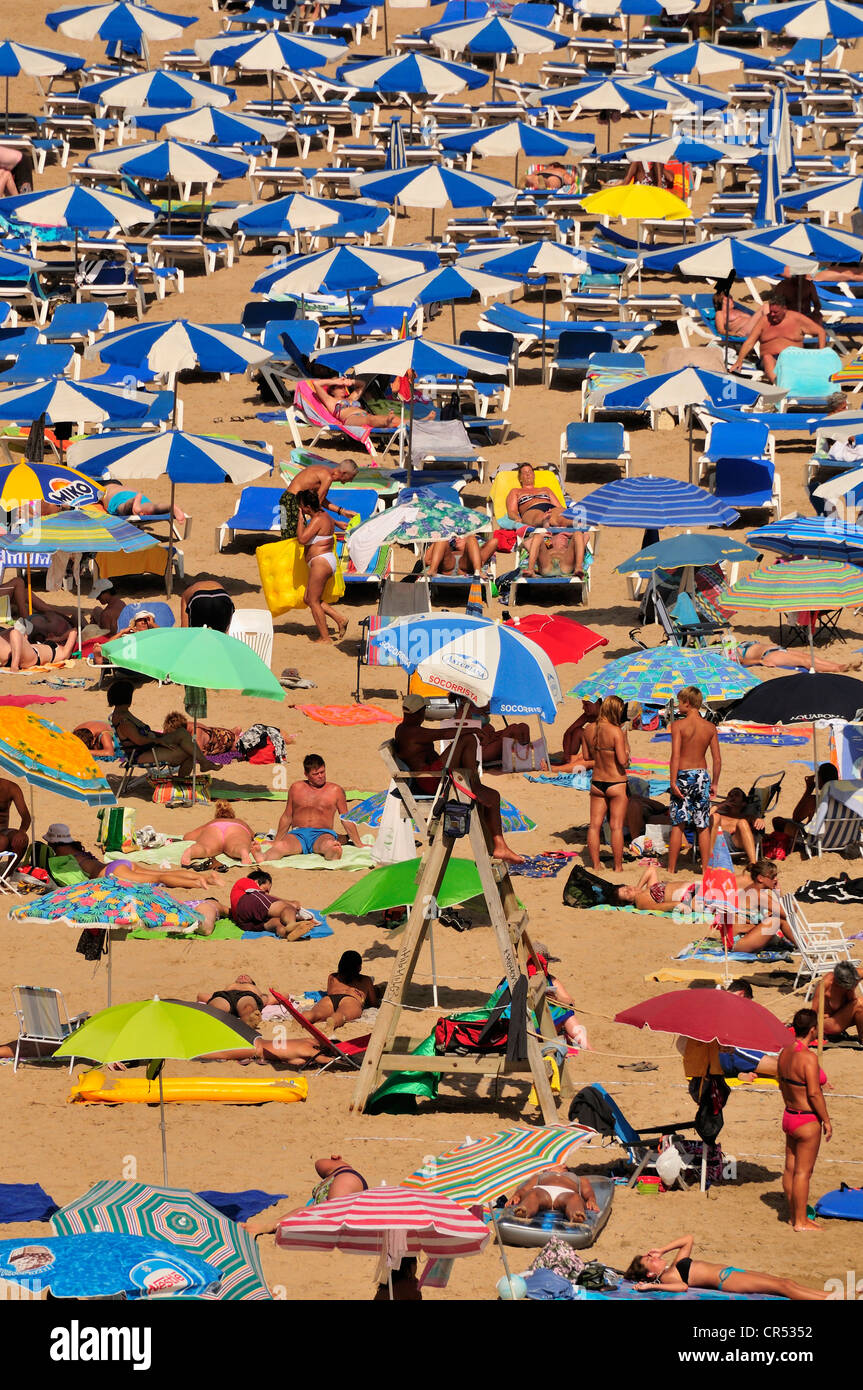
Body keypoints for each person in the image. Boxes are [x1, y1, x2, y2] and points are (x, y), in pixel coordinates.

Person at [393, 694, 525, 863]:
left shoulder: (404, 729)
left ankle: (500, 845)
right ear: (416, 713)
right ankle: (473, 785)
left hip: (432, 776)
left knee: (493, 796)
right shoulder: (412, 732)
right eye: (423, 711)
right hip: (431, 780)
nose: (423, 714)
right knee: (466, 739)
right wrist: (474, 729)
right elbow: (445, 733)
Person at [626, 1234, 827, 1299]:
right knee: (784, 1288)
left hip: (732, 1272)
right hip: (727, 1280)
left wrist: (661, 1249)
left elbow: (688, 1239)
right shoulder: (667, 1277)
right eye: (650, 1260)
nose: (653, 1257)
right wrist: (653, 1286)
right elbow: (682, 1287)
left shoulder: (674, 1266)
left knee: (786, 1282)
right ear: (651, 1273)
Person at [778, 1008, 832, 1233]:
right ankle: (801, 1221)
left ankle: (794, 1215)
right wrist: (826, 1120)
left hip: (789, 1114)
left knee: (790, 1169)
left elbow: (782, 1083)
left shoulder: (784, 1052)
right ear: (812, 1030)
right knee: (803, 1172)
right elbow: (813, 1094)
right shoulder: (808, 1058)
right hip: (806, 1119)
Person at [108, 680, 219, 779]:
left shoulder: (123, 713)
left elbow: (142, 734)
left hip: (149, 745)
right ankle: (183, 782)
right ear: (126, 697)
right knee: (189, 753)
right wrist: (157, 740)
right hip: (141, 753)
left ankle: (203, 763)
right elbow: (139, 740)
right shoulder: (123, 721)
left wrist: (159, 736)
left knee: (181, 733)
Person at [263, 753, 361, 861]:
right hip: (298, 834)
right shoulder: (296, 788)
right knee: (280, 847)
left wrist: (359, 843)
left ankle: (333, 852)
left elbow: (346, 819)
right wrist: (276, 841)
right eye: (316, 774)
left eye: (322, 772)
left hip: (322, 834)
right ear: (306, 774)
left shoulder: (335, 791)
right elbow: (287, 816)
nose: (320, 776)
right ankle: (261, 857)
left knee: (329, 845)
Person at [668, 686, 721, 875]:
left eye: (680, 701)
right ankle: (706, 869)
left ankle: (672, 868)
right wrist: (714, 783)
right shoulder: (710, 727)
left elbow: (675, 756)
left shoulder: (678, 726)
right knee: (702, 824)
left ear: (687, 703)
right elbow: (717, 759)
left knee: (678, 823)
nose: (678, 705)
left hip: (683, 774)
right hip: (701, 775)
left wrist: (673, 781)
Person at [295, 488, 348, 644]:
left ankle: (325, 638)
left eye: (301, 506)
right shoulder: (323, 514)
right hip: (323, 561)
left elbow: (302, 539)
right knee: (309, 598)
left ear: (307, 508)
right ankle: (340, 619)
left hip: (321, 562)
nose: (300, 508)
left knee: (313, 601)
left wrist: (300, 519)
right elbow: (331, 522)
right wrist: (338, 522)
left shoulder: (317, 519)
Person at [731, 301, 827, 383]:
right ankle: (779, 385)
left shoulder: (797, 319)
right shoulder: (764, 321)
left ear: (784, 310)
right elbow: (750, 342)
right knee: (767, 357)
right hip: (770, 359)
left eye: (775, 312)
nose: (772, 314)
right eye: (771, 311)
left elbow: (820, 332)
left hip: (793, 358)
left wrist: (821, 353)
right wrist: (739, 361)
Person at [586, 695, 630, 874]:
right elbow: (622, 761)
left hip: (597, 782)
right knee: (616, 827)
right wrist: (626, 750)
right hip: (616, 782)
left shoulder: (589, 729)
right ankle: (618, 867)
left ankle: (596, 865)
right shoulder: (616, 731)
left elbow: (588, 757)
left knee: (594, 825)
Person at [280, 457, 359, 540]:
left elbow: (321, 500)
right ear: (344, 473)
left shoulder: (325, 471)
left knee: (289, 537)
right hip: (292, 501)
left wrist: (343, 512)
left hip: (288, 499)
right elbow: (317, 507)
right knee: (293, 539)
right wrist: (336, 523)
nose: (351, 481)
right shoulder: (327, 478)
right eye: (352, 477)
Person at [728, 858, 794, 953]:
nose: (776, 879)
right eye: (772, 876)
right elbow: (788, 912)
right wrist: (779, 893)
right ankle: (803, 945)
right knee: (778, 918)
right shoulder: (759, 895)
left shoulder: (750, 889)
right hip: (738, 944)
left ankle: (802, 943)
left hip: (735, 941)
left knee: (774, 916)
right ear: (760, 878)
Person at [303, 951, 379, 1028]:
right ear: (359, 967)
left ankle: (304, 1018)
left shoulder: (332, 977)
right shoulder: (366, 980)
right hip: (350, 1000)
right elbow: (373, 1003)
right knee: (341, 1015)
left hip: (329, 999)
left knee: (315, 1014)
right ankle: (333, 1020)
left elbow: (329, 992)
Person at [229, 870, 308, 940]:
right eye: (265, 890)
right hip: (248, 901)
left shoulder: (238, 892)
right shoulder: (246, 882)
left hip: (243, 923)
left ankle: (286, 933)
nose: (266, 894)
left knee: (277, 922)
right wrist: (290, 903)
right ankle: (291, 924)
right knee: (286, 907)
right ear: (256, 882)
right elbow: (265, 898)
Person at [180, 802, 263, 867]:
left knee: (205, 848)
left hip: (214, 828)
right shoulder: (239, 821)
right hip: (236, 828)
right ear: (232, 815)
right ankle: (243, 852)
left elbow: (187, 837)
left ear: (217, 816)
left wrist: (199, 838)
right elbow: (253, 836)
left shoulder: (212, 822)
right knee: (238, 845)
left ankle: (191, 851)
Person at [506, 1168, 599, 1225]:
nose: (546, 1168)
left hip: (568, 1193)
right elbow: (525, 1189)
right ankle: (524, 1211)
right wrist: (516, 1195)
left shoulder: (579, 1179)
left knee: (575, 1198)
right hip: (542, 1190)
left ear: (563, 1165)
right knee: (532, 1194)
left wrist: (591, 1199)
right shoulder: (539, 1176)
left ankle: (576, 1216)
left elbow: (588, 1191)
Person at [505, 465, 577, 532]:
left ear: (534, 475)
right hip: (531, 509)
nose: (528, 474)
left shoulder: (545, 489)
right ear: (520, 478)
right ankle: (545, 521)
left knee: (561, 517)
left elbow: (558, 507)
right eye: (524, 473)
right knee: (539, 517)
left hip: (550, 508)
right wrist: (517, 519)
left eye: (530, 472)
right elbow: (511, 511)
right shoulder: (516, 491)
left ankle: (576, 522)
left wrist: (561, 512)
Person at [309, 375, 399, 429]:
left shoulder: (350, 398)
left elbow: (362, 384)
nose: (343, 388)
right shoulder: (330, 401)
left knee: (372, 418)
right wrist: (335, 381)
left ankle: (395, 422)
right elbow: (316, 384)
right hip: (351, 419)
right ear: (332, 390)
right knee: (371, 419)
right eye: (339, 386)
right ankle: (391, 421)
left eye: (343, 387)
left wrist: (350, 382)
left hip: (366, 415)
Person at [730, 638, 860, 674]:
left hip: (778, 650)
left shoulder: (734, 644)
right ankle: (837, 669)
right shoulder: (732, 652)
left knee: (809, 657)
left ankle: (838, 666)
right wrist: (759, 660)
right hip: (769, 656)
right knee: (804, 661)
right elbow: (740, 660)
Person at [611, 861, 699, 913]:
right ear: (629, 902)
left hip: (694, 890)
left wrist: (639, 887)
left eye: (626, 887)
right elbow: (655, 907)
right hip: (689, 897)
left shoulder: (648, 891)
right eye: (627, 893)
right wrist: (676, 905)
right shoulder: (640, 900)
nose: (629, 889)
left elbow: (651, 869)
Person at [710, 786, 762, 863]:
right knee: (715, 817)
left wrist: (759, 820)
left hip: (737, 844)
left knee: (742, 822)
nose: (732, 797)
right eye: (730, 795)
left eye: (736, 795)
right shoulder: (718, 815)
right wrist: (719, 806)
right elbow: (702, 819)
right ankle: (710, 858)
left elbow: (757, 822)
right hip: (716, 843)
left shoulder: (747, 818)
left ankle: (753, 864)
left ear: (744, 803)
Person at [817, 962, 863, 1045]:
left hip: (840, 1018)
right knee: (859, 1004)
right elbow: (852, 1000)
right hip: (827, 1024)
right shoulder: (829, 985)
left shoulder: (856, 975)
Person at [101, 481, 186, 525]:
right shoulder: (121, 487)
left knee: (123, 508)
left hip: (117, 497)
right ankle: (169, 507)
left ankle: (132, 503)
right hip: (135, 494)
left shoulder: (101, 488)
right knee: (151, 507)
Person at [4, 621, 77, 671]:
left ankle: (14, 667)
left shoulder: (64, 653)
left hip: (33, 657)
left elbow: (74, 631)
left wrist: (58, 638)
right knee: (11, 633)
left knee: (14, 632)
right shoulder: (48, 645)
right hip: (14, 654)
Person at [163, 710, 240, 758]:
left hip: (226, 741)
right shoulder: (185, 724)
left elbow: (197, 754)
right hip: (220, 733)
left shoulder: (196, 732)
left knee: (239, 746)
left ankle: (235, 735)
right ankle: (235, 731)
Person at [423, 533, 499, 577]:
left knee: (471, 538)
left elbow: (495, 541)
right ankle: (433, 570)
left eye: (461, 537)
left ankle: (477, 571)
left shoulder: (477, 554)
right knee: (442, 538)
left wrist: (472, 541)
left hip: (465, 567)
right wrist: (440, 538)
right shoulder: (449, 552)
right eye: (455, 537)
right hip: (448, 566)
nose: (457, 539)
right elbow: (427, 560)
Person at [558, 698, 599, 772]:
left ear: (598, 704)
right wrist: (567, 754)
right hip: (593, 752)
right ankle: (568, 761)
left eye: (587, 704)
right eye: (583, 704)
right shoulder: (588, 716)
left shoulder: (608, 719)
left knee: (582, 760)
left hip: (601, 755)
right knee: (578, 731)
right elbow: (568, 732)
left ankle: (555, 768)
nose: (583, 708)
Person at [0, 777, 30, 867]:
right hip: (2, 838)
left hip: (3, 830)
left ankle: (7, 876)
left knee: (22, 840)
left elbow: (26, 817)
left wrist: (22, 831)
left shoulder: (11, 788)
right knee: (2, 840)